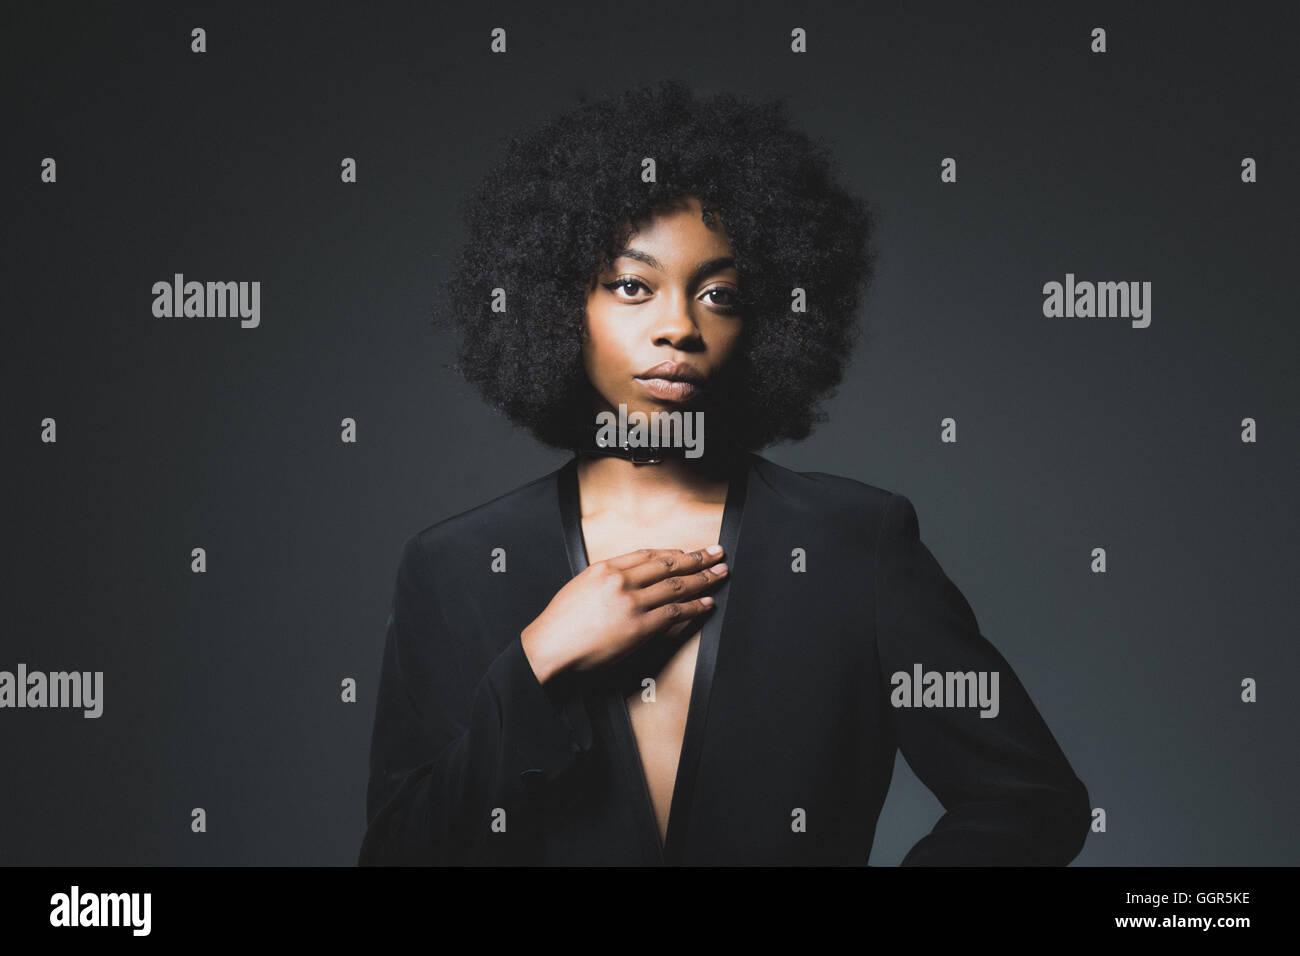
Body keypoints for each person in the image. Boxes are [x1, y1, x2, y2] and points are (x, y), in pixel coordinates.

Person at [359, 80, 1090, 865]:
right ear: (557, 304)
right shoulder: (454, 568)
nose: (678, 326)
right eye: (632, 286)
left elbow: (1031, 802)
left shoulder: (854, 545)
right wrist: (538, 663)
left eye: (719, 294)